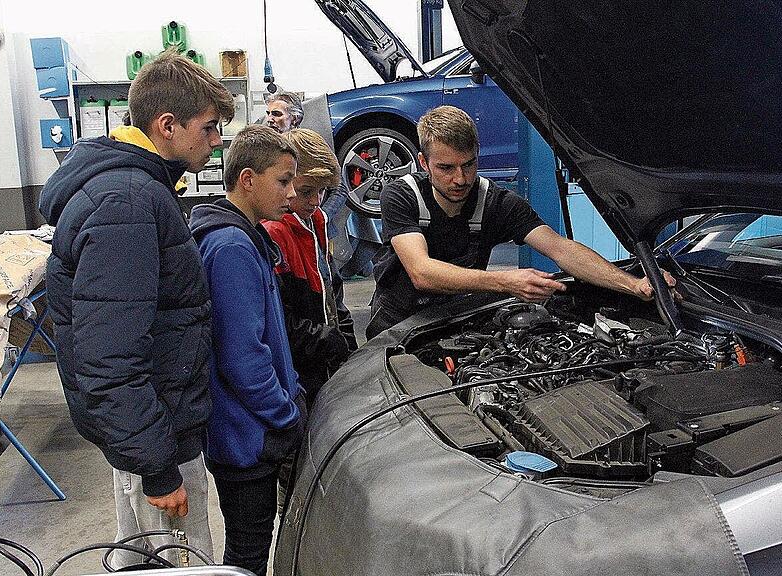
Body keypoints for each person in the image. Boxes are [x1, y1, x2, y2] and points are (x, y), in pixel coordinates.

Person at [38, 49, 234, 567]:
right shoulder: (126, 200)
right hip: (158, 443)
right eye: (210, 128)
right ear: (168, 125)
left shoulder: (134, 188)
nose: (216, 142)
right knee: (181, 567)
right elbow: (110, 356)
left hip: (150, 435)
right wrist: (158, 469)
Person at [367, 105, 674, 339]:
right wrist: (507, 282)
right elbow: (422, 273)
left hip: (453, 320)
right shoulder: (401, 196)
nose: (460, 179)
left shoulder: (497, 202)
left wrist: (634, 284)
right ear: (424, 162)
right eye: (446, 168)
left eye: (469, 164)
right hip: (397, 326)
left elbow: (561, 249)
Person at [189, 124, 306, 576]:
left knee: (249, 549)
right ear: (247, 179)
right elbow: (242, 357)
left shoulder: (244, 236)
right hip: (246, 437)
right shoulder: (231, 246)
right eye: (283, 180)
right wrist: (285, 414)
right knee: (246, 558)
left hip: (246, 432)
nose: (292, 192)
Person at [262, 128, 354, 402]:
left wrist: (347, 340)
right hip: (298, 373)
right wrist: (329, 340)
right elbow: (281, 320)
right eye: (306, 191)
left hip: (322, 363)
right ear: (286, 182)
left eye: (322, 191)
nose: (315, 201)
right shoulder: (275, 232)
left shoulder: (317, 222)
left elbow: (332, 293)